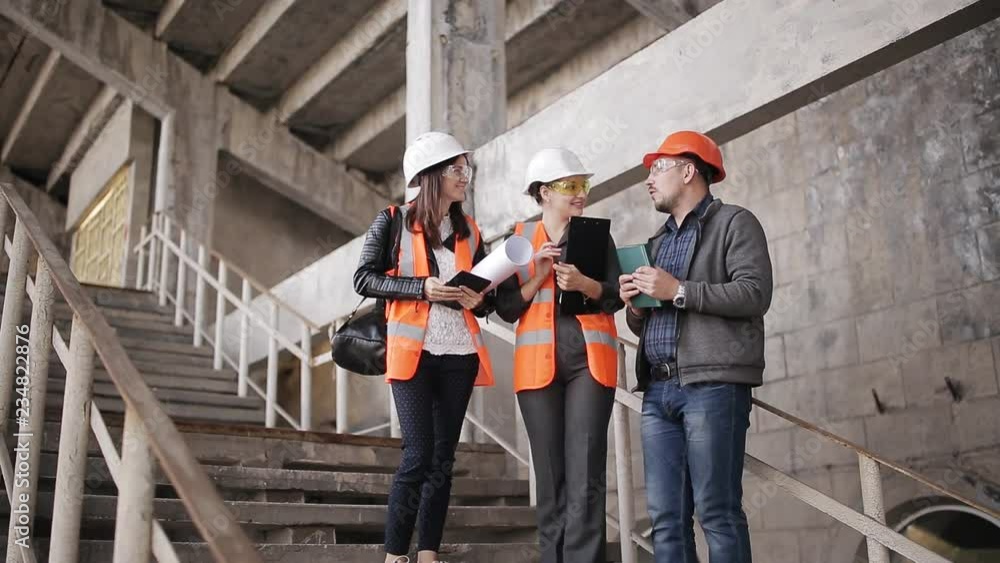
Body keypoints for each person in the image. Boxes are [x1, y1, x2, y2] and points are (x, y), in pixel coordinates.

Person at [619, 131, 773, 562]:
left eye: (657, 168)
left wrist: (679, 290)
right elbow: (649, 320)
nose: (649, 179)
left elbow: (754, 294)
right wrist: (636, 306)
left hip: (713, 385)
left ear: (689, 171)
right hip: (658, 392)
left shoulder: (736, 223)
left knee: (717, 513)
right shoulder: (658, 243)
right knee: (665, 521)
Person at [354, 131, 496, 563]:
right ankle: (396, 554)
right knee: (417, 455)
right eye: (457, 169)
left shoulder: (469, 230)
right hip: (413, 354)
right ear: (431, 175)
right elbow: (364, 279)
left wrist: (481, 299)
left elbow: (486, 292)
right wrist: (422, 288)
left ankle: (428, 553)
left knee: (442, 460)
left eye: (465, 169)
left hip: (460, 355)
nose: (464, 177)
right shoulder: (393, 219)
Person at [495, 148, 624, 563]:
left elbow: (615, 297)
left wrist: (585, 283)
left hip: (589, 363)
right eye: (571, 186)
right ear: (544, 192)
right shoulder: (517, 242)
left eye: (583, 185)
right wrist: (539, 275)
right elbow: (506, 307)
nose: (580, 193)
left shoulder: (595, 237)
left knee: (586, 474)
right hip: (537, 371)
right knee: (550, 478)